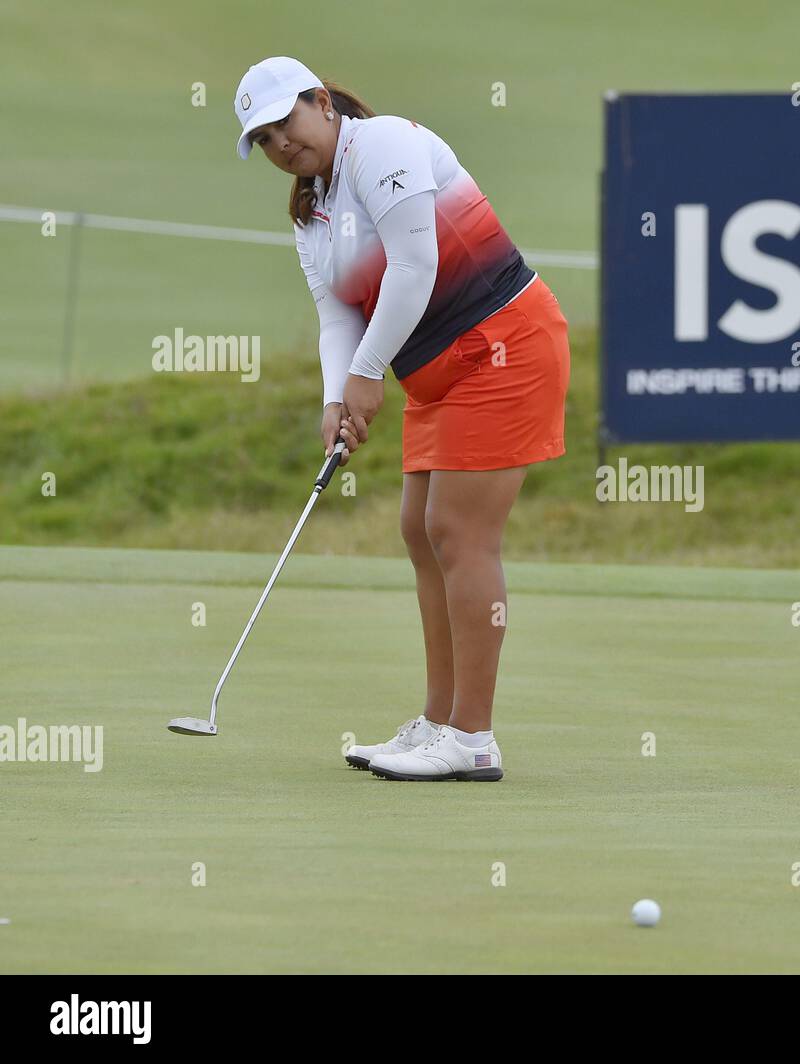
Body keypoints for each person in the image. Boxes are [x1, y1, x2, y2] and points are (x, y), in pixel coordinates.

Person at [233, 56, 570, 782]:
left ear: (321, 102)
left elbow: (416, 264)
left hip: (502, 344)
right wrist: (337, 396)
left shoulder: (379, 143)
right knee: (420, 531)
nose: (281, 145)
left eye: (285, 122)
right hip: (436, 373)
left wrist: (364, 378)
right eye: (263, 139)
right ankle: (438, 722)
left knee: (458, 532)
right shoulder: (310, 216)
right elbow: (336, 318)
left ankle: (473, 738)